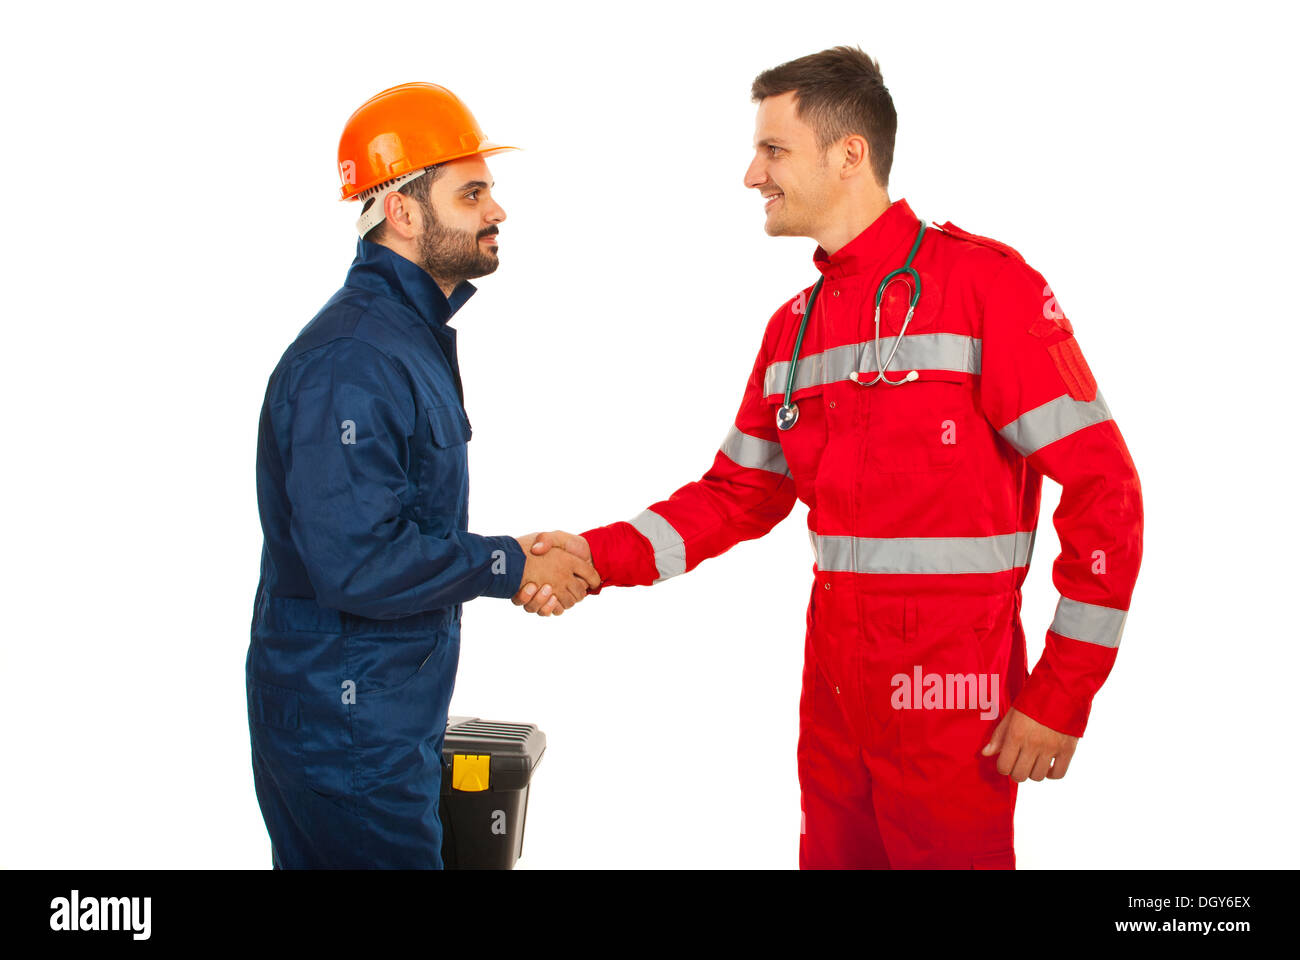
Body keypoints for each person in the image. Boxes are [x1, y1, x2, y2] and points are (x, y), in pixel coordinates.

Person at [518, 47, 1143, 869]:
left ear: (850, 154)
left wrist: (1060, 697)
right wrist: (595, 556)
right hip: (836, 703)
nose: (752, 174)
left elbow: (1106, 489)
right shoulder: (796, 327)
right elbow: (734, 495)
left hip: (953, 702)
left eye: (773, 150)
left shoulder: (988, 290)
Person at [246, 82, 599, 869]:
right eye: (471, 193)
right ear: (402, 212)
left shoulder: (404, 340)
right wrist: (510, 563)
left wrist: (511, 557)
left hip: (375, 719)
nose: (496, 211)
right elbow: (358, 560)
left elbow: (404, 532)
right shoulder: (355, 359)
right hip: (349, 734)